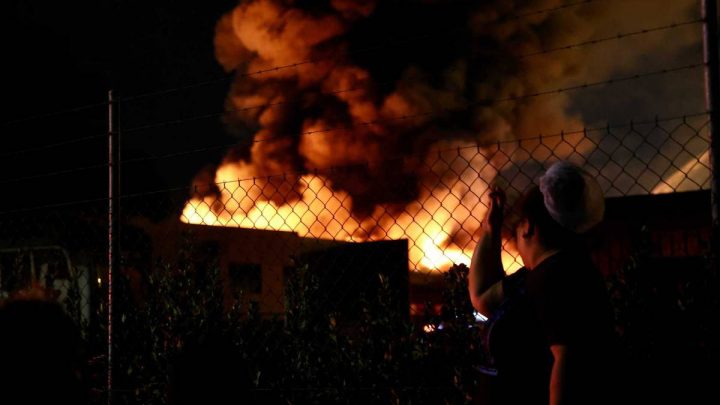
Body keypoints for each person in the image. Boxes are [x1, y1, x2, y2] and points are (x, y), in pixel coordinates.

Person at [468, 161, 616, 405]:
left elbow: (569, 363)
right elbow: (483, 296)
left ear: (529, 228)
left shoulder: (559, 278)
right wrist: (490, 230)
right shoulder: (539, 275)